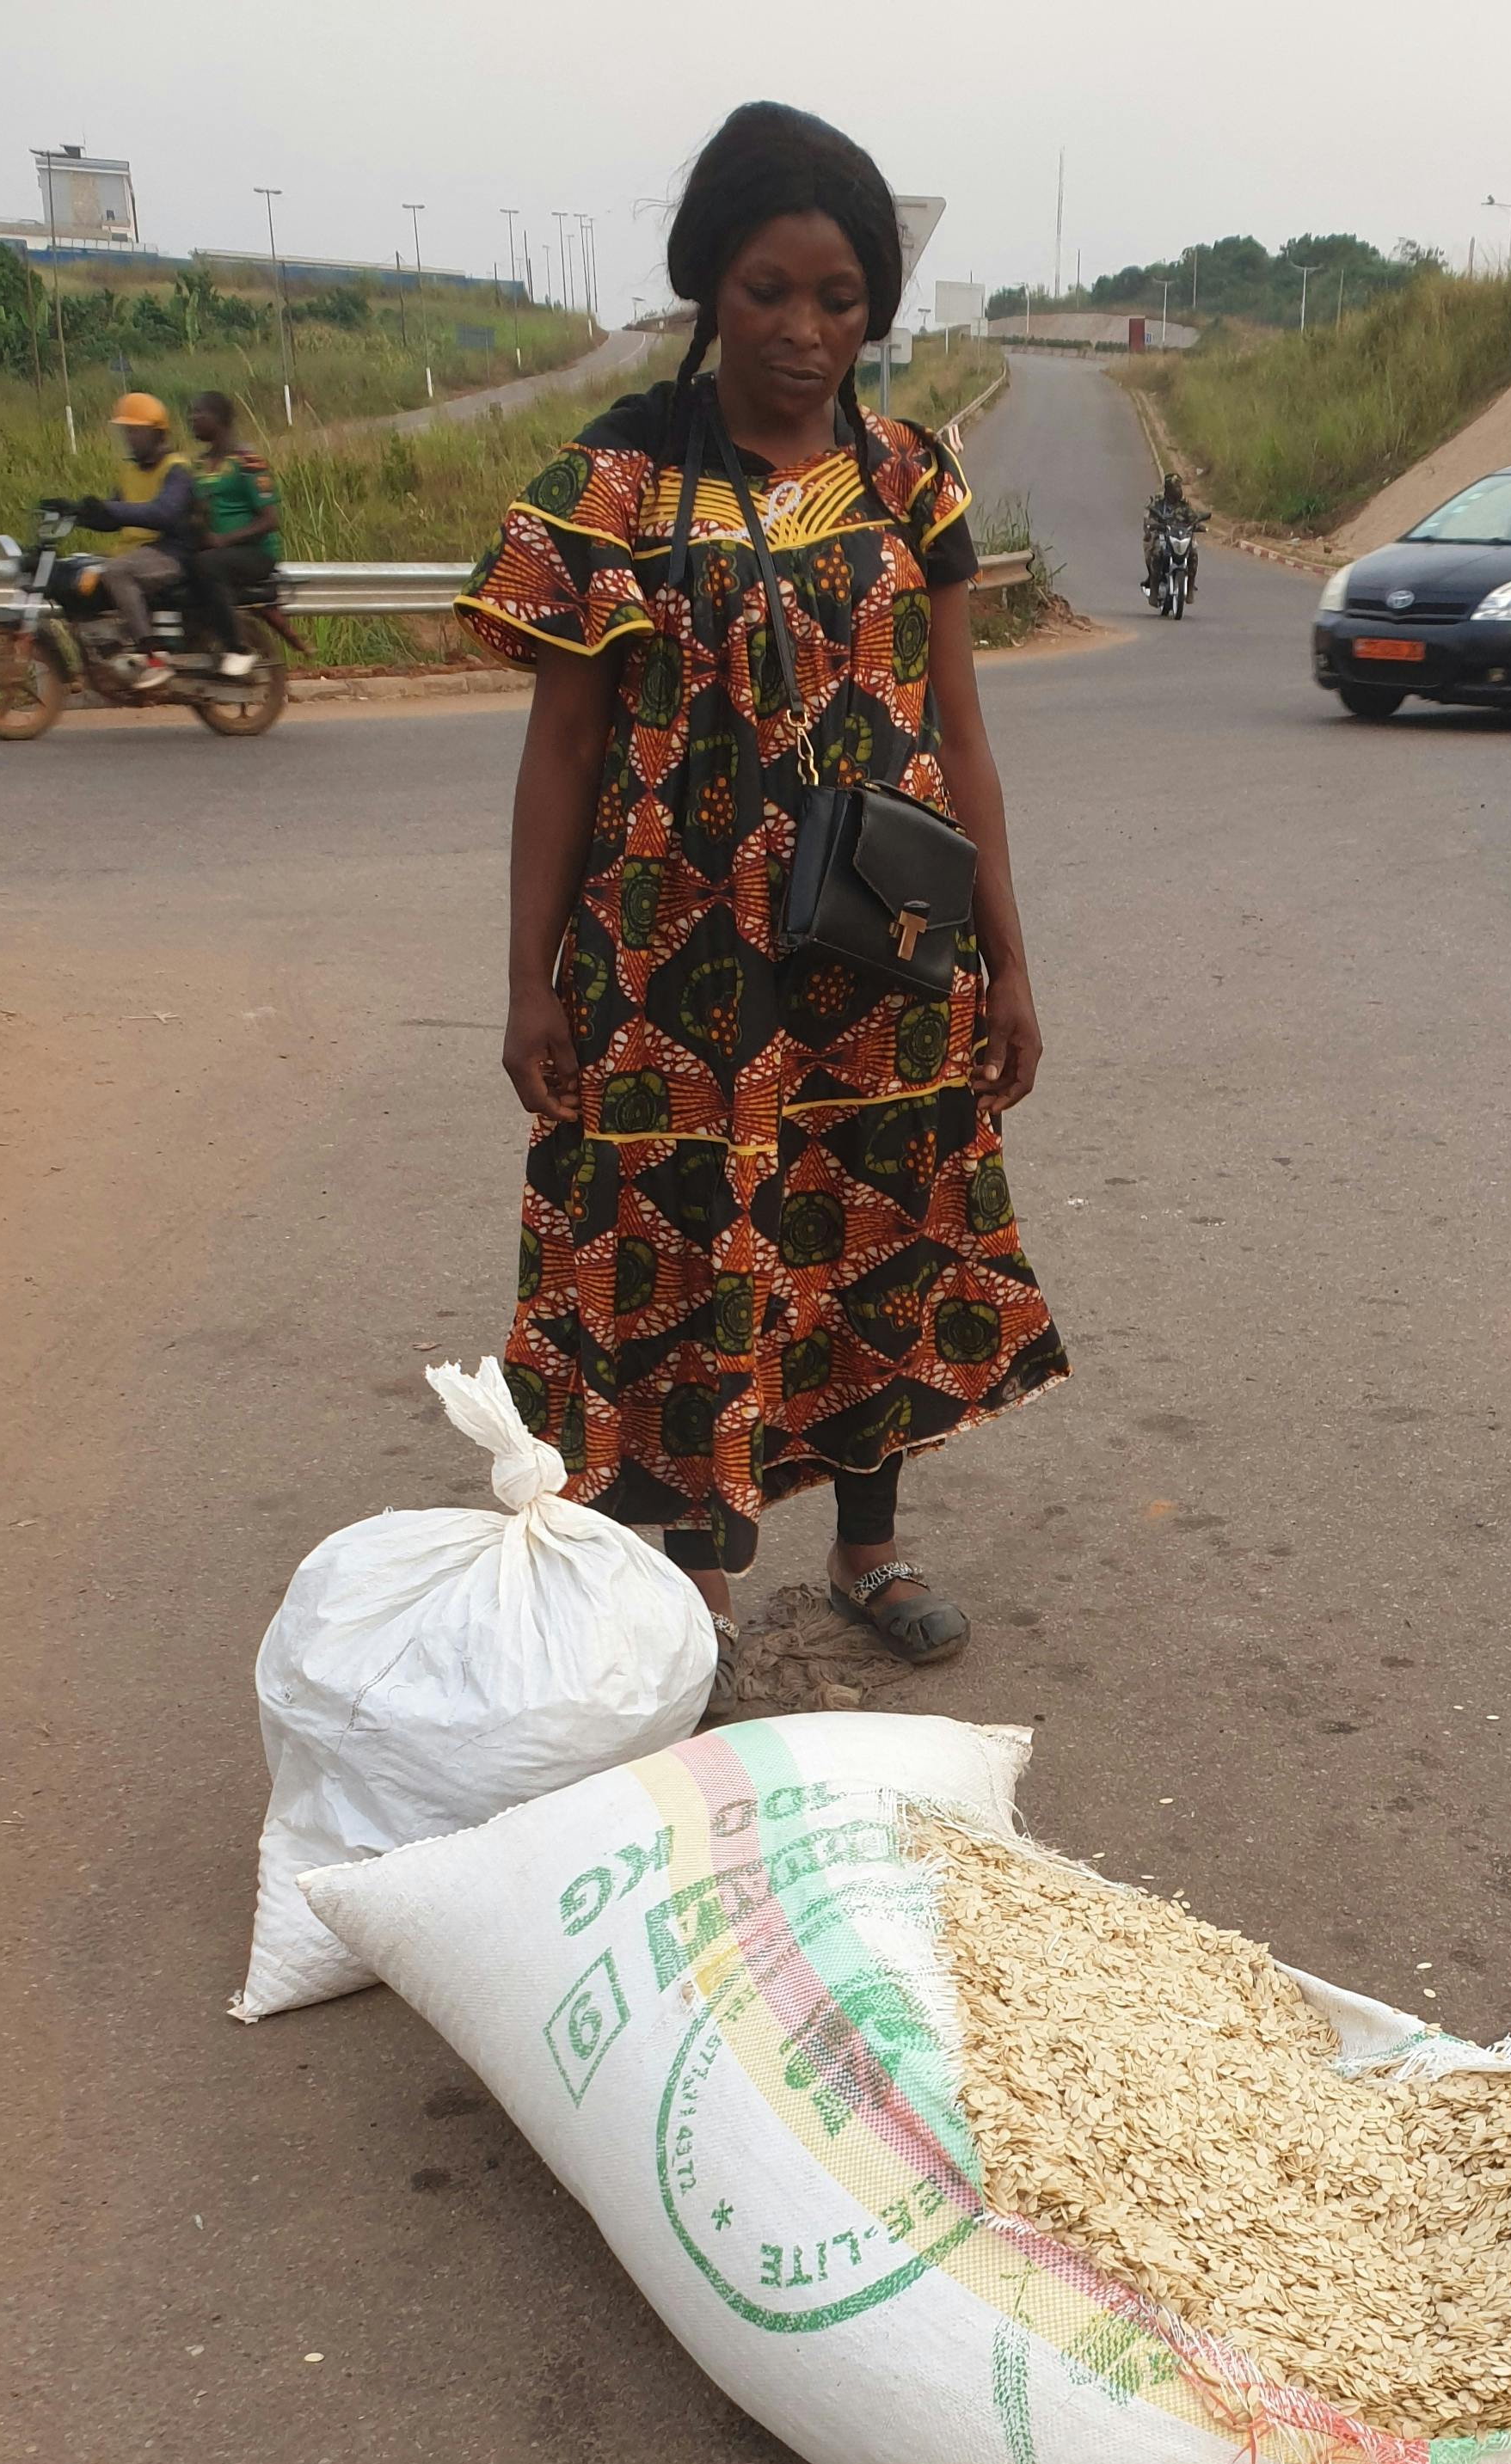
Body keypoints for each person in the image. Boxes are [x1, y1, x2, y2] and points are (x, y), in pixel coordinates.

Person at [460, 102, 1065, 1716]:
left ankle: (867, 1552)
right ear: (703, 289)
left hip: (876, 953)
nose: (804, 333)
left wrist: (1007, 958)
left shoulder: (905, 479)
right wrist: (527, 982)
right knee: (668, 1246)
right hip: (667, 962)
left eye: (841, 298)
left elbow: (956, 735)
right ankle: (690, 1578)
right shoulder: (609, 488)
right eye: (766, 293)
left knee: (871, 1232)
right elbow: (562, 753)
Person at [72, 391, 198, 692]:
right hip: (136, 552)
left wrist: (111, 509)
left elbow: (165, 512)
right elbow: (113, 517)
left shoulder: (176, 469)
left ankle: (154, 657)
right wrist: (78, 512)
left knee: (117, 571)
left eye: (136, 431)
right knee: (78, 569)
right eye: (126, 432)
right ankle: (112, 649)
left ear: (157, 433)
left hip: (171, 551)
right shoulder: (129, 470)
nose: (130, 438)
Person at [184, 390, 281, 677]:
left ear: (220, 419)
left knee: (207, 564)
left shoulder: (248, 461)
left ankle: (237, 647)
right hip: (216, 552)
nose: (192, 420)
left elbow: (269, 520)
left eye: (199, 414)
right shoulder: (198, 465)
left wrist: (222, 540)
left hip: (254, 553)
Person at [1144, 469, 1198, 595]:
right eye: (1175, 486)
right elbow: (1148, 518)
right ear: (1168, 489)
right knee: (1156, 553)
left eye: (1179, 486)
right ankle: (1154, 586)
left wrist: (1196, 525)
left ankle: (1190, 587)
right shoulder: (1158, 503)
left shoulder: (1184, 504)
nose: (1178, 489)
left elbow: (1193, 518)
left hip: (1181, 536)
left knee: (1193, 553)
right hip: (1163, 535)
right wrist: (1153, 524)